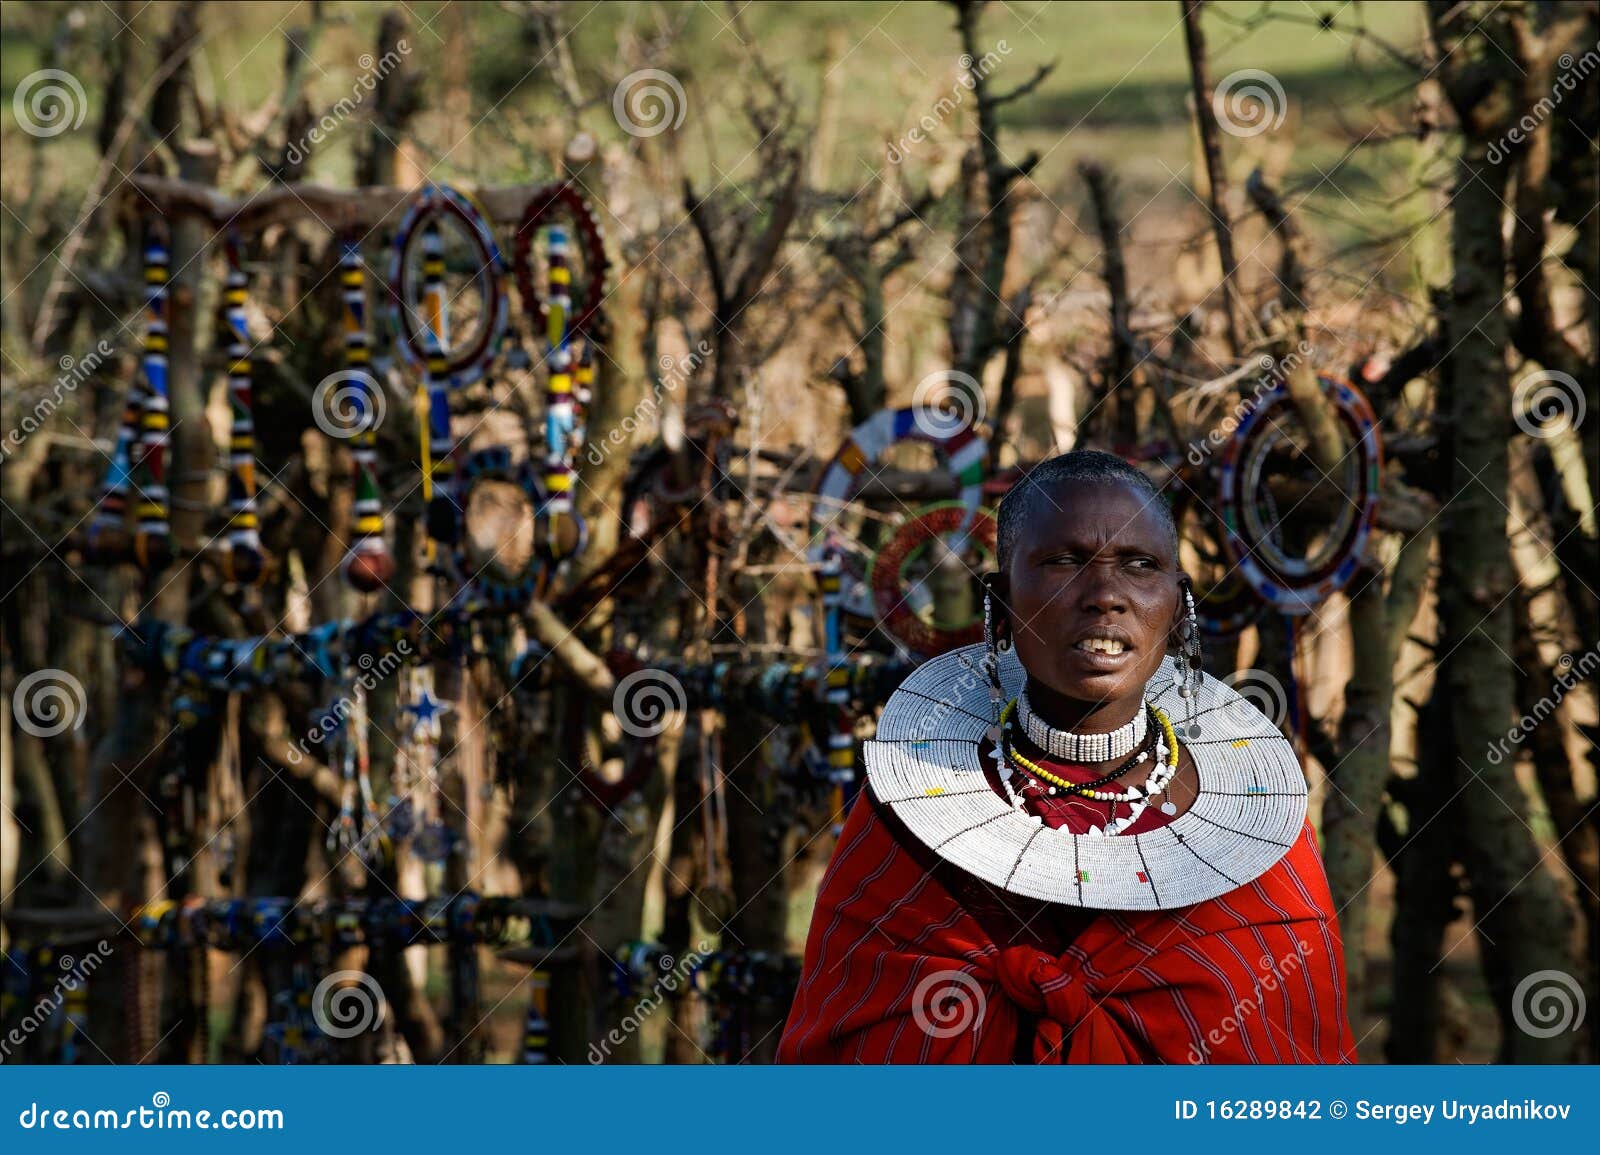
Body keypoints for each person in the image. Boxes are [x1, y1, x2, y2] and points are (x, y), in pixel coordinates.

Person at [778, 450, 1355, 1064]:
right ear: (1000, 605)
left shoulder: (1259, 841)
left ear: (1179, 607)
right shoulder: (902, 821)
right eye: (1063, 561)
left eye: (1140, 565)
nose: (1105, 595)